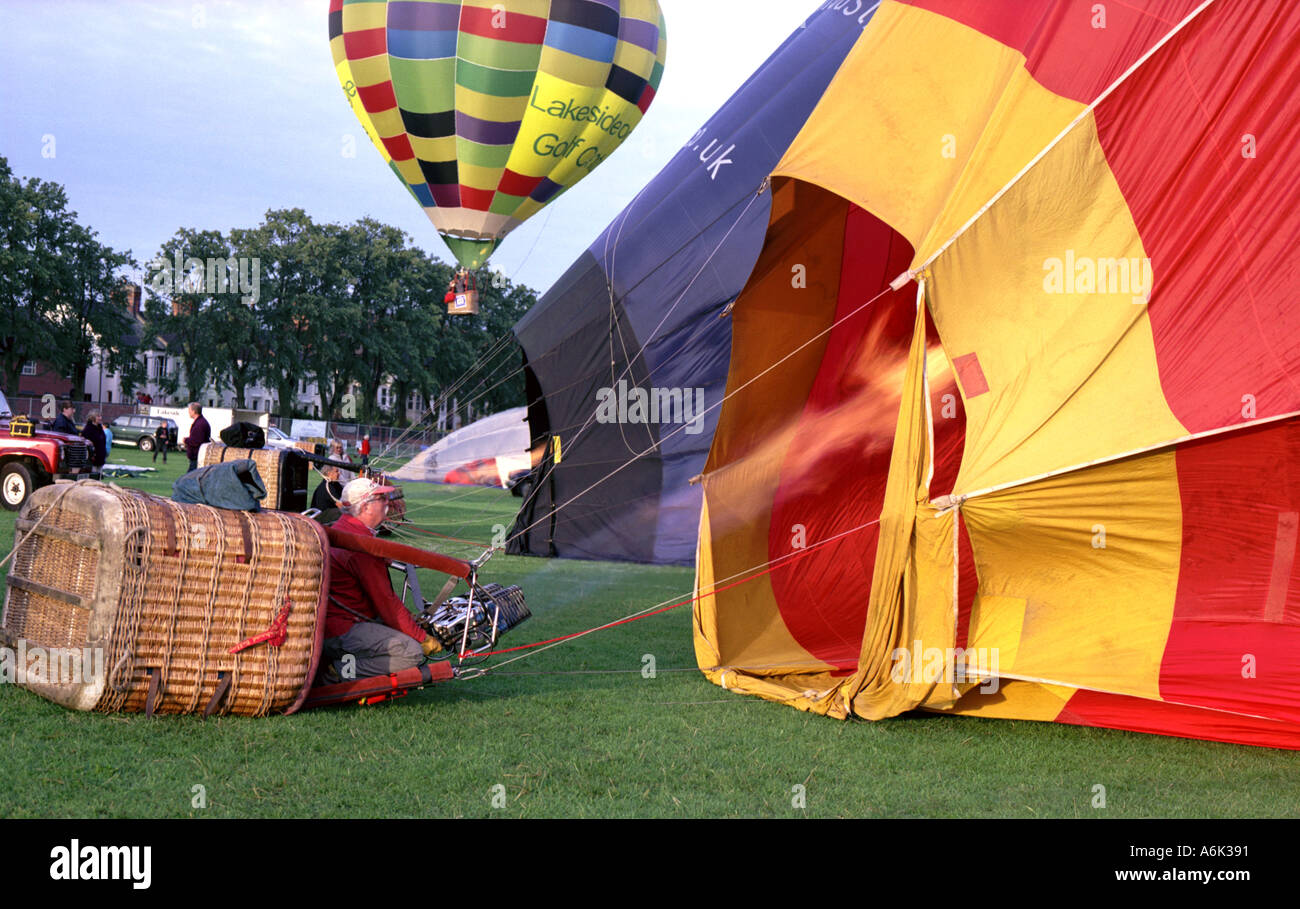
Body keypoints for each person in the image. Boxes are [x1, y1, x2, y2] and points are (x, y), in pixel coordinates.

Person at [321, 478, 441, 682]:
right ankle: (335, 673)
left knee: (405, 636)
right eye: (382, 499)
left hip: (338, 622)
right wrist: (422, 638)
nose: (388, 503)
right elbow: (386, 602)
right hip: (342, 629)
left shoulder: (345, 529)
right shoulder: (360, 546)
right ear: (366, 507)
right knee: (411, 652)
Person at [182, 402, 210, 473]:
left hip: (197, 456)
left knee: (189, 479)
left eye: (189, 410)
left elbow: (197, 441)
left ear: (194, 411)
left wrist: (186, 440)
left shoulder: (199, 424)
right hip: (197, 456)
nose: (188, 412)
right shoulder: (201, 422)